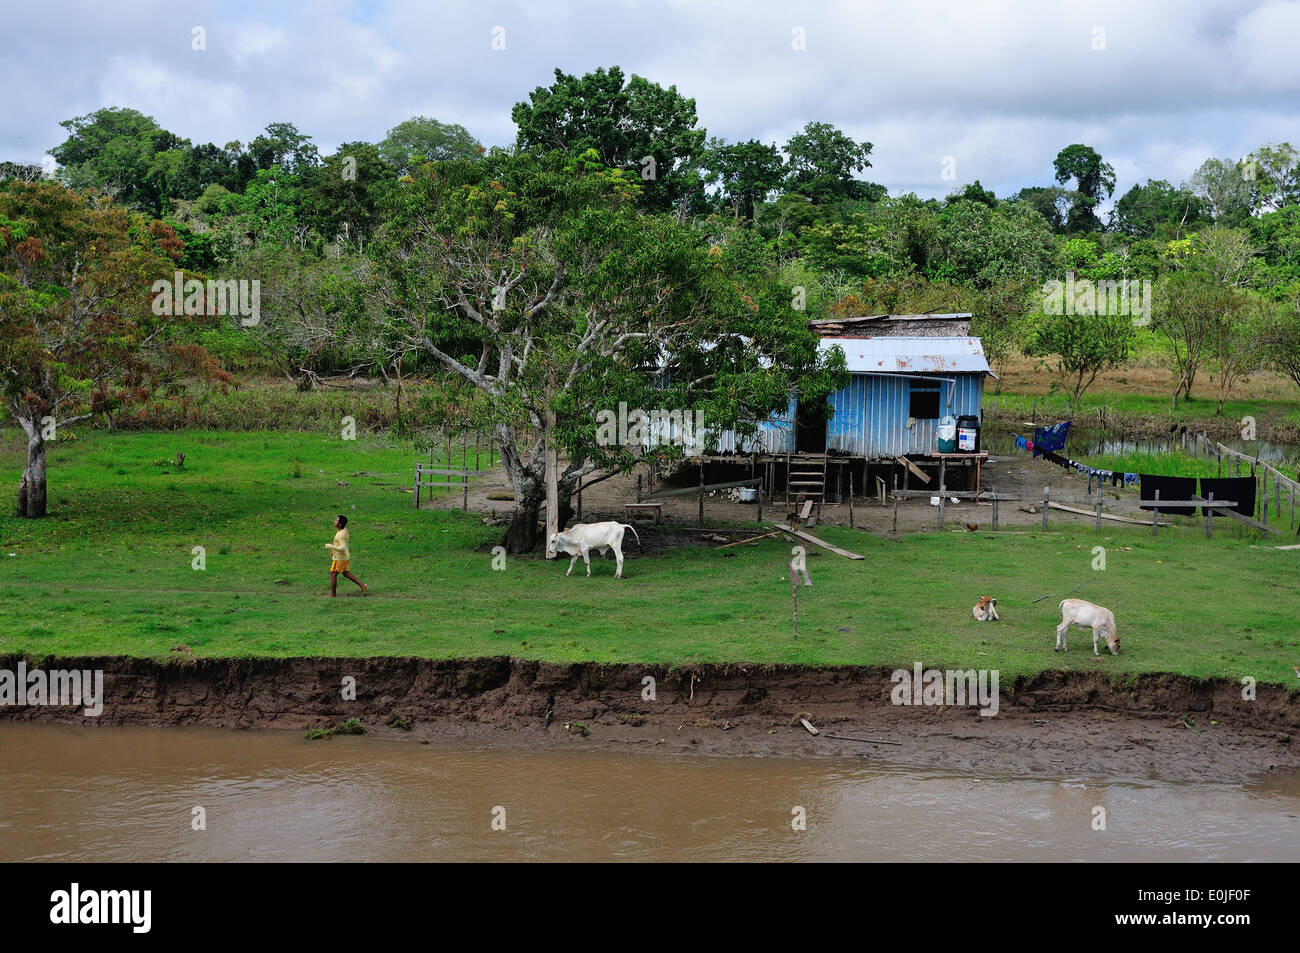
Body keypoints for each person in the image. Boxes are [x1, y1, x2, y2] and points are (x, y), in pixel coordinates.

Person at [325, 514, 367, 597]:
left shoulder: (340, 534)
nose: (334, 521)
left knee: (333, 574)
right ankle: (362, 585)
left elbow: (342, 548)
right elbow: (340, 544)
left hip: (340, 558)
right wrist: (334, 551)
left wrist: (330, 546)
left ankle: (333, 594)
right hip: (344, 557)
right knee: (346, 573)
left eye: (336, 520)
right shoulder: (344, 530)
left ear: (340, 524)